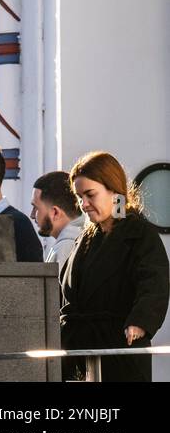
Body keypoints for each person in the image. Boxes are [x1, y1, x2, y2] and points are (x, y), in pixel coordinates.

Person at [59, 151, 169, 382]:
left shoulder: (140, 234)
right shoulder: (86, 238)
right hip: (80, 350)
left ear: (114, 191)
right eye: (80, 197)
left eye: (90, 195)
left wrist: (140, 321)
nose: (84, 204)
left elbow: (154, 281)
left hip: (119, 348)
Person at [31, 170, 84, 269]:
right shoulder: (75, 241)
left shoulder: (66, 247)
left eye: (36, 208)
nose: (32, 215)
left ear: (55, 212)